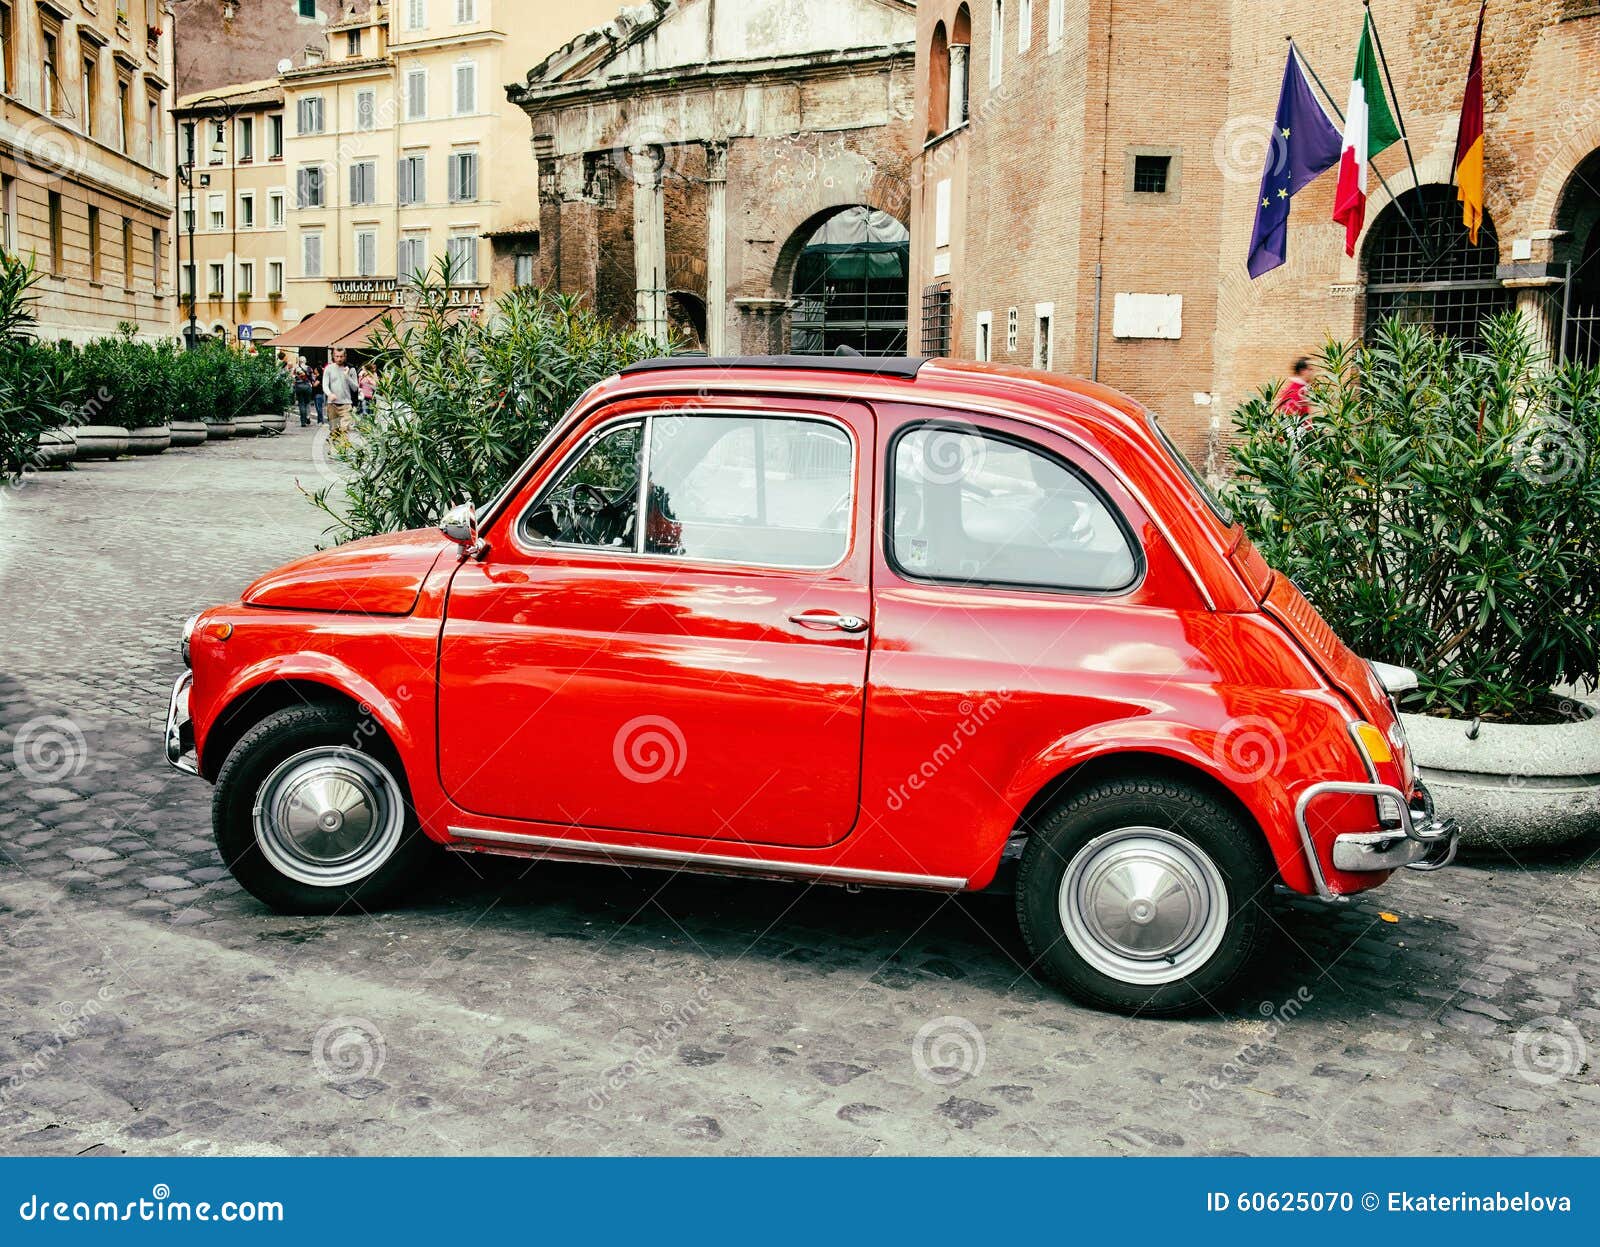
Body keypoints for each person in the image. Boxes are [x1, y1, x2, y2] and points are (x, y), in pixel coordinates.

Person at [322, 348, 360, 439]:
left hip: (346, 404)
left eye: (341, 356)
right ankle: (334, 450)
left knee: (344, 430)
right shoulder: (329, 369)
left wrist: (347, 376)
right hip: (332, 405)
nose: (339, 359)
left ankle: (344, 451)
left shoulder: (351, 369)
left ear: (345, 356)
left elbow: (355, 388)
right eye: (337, 356)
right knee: (334, 431)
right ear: (333, 356)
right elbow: (325, 385)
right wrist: (329, 394)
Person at [1277, 356, 1313, 421]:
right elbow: (1304, 419)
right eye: (1310, 369)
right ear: (1303, 371)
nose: (1312, 373)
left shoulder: (1293, 388)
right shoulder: (1299, 392)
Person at [292, 357, 316, 427]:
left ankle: (303, 422)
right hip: (307, 386)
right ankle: (308, 416)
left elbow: (293, 378)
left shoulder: (296, 369)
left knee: (301, 404)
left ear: (299, 361)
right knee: (307, 403)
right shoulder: (309, 368)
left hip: (299, 386)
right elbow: (313, 378)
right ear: (305, 361)